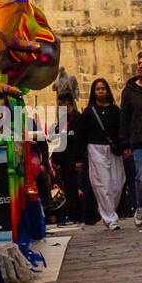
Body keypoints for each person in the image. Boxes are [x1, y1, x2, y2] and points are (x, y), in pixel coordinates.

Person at [80, 78, 124, 231]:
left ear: (107, 91)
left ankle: (108, 211)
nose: (100, 91)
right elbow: (82, 135)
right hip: (96, 149)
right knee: (102, 184)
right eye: (97, 89)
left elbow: (121, 131)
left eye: (103, 88)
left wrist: (125, 148)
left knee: (117, 184)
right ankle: (111, 218)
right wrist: (80, 158)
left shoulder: (115, 110)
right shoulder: (88, 112)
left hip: (114, 150)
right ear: (93, 92)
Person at [120, 49, 142, 227]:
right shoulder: (129, 91)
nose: (140, 66)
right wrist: (125, 143)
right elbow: (124, 118)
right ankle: (140, 206)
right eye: (139, 63)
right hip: (141, 143)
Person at [49, 78, 86, 226]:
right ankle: (73, 215)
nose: (59, 106)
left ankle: (80, 215)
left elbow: (79, 141)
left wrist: (79, 160)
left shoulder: (78, 119)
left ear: (69, 103)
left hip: (74, 160)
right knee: (69, 190)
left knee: (78, 188)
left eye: (62, 103)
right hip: (64, 161)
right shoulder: (64, 119)